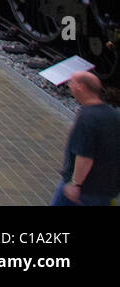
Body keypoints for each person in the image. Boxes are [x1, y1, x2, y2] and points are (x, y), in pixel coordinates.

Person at [51, 71, 120, 206]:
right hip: (106, 187)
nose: (69, 86)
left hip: (84, 189)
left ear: (81, 87)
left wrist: (75, 184)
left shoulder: (86, 117)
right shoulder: (113, 115)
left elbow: (85, 156)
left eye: (71, 83)